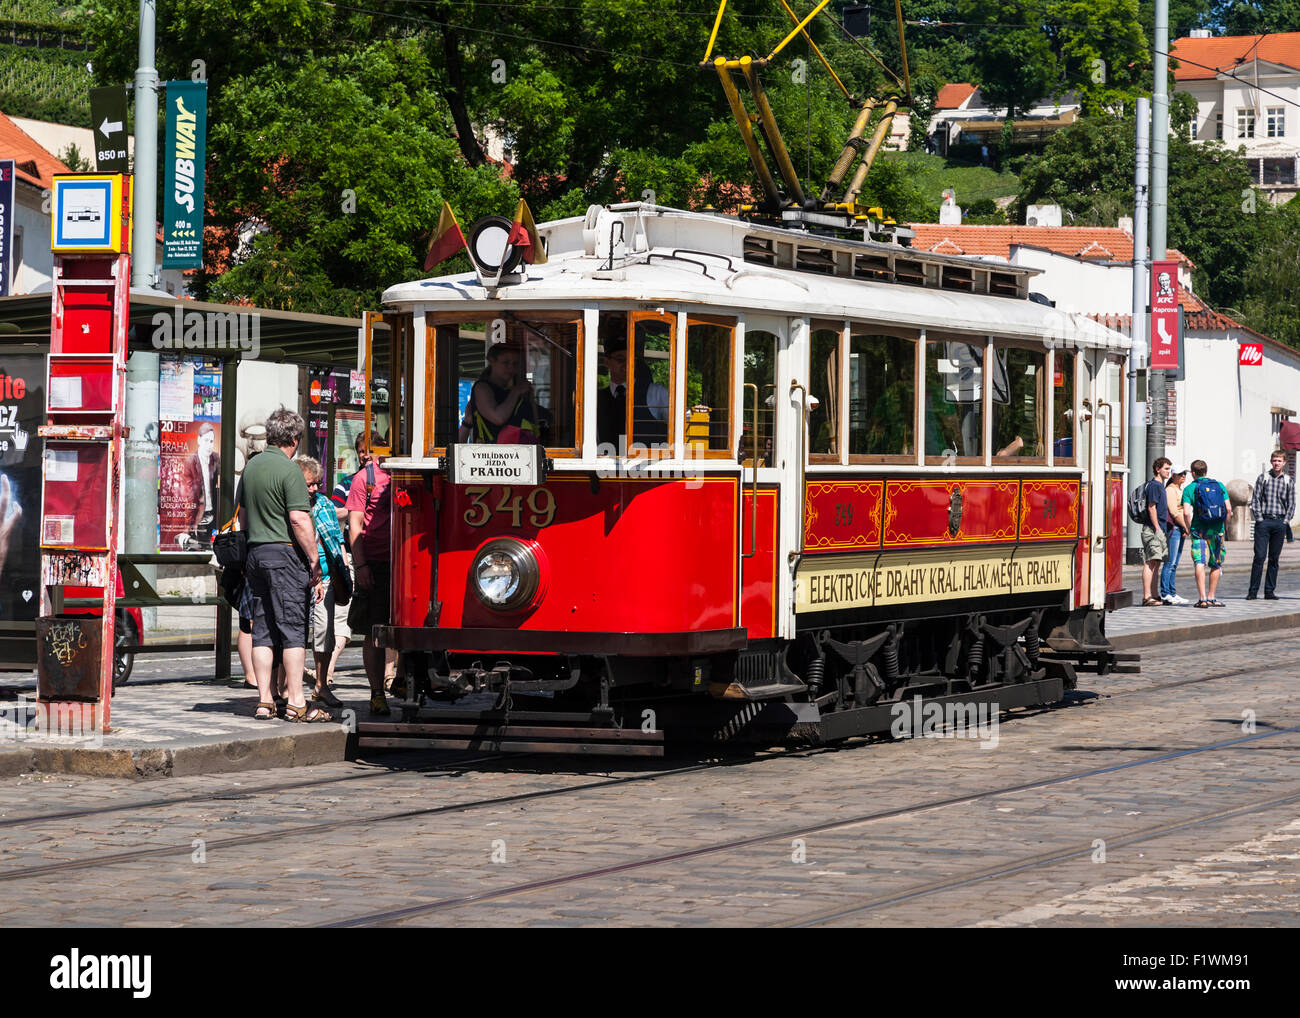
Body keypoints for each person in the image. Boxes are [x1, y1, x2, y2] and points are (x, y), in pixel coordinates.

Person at [236, 408, 329, 722]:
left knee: (262, 631)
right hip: (285, 557)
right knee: (292, 632)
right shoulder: (289, 470)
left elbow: (243, 516)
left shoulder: (251, 468)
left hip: (255, 555)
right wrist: (314, 560)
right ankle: (297, 703)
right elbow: (299, 520)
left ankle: (264, 701)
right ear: (294, 438)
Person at [346, 437, 394, 715]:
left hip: (403, 562)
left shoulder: (403, 473)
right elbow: (355, 523)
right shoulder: (364, 479)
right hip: (375, 562)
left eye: (371, 452)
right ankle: (377, 692)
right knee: (373, 631)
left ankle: (397, 681)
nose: (367, 457)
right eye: (363, 453)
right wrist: (361, 566)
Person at [297, 455, 346, 707]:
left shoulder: (324, 504)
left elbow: (337, 540)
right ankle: (287, 688)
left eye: (317, 483)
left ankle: (321, 685)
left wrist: (344, 568)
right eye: (309, 484)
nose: (315, 489)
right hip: (297, 578)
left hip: (325, 578)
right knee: (294, 635)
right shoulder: (291, 505)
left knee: (324, 632)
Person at [596, 331, 669, 451]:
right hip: (606, 467)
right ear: (607, 362)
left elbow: (681, 421)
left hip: (647, 467)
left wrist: (695, 413)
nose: (627, 364)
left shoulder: (655, 393)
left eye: (630, 359)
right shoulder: (596, 399)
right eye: (620, 359)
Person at [1247, 450, 1296, 600]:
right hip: (1264, 522)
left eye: (1279, 461)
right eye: (1274, 460)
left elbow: (1292, 503)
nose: (1276, 463)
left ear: (1284, 463)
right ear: (1271, 461)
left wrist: (1286, 521)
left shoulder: (1288, 480)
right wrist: (1260, 519)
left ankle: (1269, 591)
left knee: (1274, 559)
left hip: (1280, 522)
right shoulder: (1263, 478)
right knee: (1259, 557)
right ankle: (1253, 591)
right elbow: (1255, 500)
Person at [1181, 459, 1230, 609]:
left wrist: (1188, 529)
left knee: (1199, 562)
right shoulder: (1219, 485)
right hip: (1217, 530)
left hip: (1199, 531)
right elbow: (1228, 510)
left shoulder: (1190, 489)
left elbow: (1186, 512)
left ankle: (1202, 599)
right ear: (1206, 471)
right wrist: (1224, 528)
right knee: (1216, 563)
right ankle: (1212, 597)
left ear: (1193, 473)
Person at [471, 342, 538, 444]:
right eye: (506, 363)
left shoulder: (513, 388)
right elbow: (498, 418)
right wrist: (516, 392)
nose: (511, 368)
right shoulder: (482, 388)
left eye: (515, 364)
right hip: (489, 455)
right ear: (492, 361)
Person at [1139, 458, 1172, 606]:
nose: (1168, 471)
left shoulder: (1160, 486)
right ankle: (1147, 596)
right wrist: (1157, 528)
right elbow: (1152, 507)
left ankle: (1155, 594)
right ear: (1157, 469)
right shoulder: (1154, 486)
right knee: (1151, 562)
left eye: (1169, 468)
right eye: (1166, 468)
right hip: (1153, 530)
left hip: (1159, 529)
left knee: (1156, 562)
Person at [1160, 464, 1191, 605]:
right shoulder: (1170, 490)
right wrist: (1186, 527)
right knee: (1170, 562)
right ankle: (1165, 593)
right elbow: (1174, 512)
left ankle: (1172, 592)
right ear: (1173, 476)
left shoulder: (1180, 489)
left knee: (1175, 563)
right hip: (1175, 529)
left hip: (1181, 529)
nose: (1183, 475)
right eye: (1181, 473)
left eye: (1185, 473)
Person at [184, 422, 220, 542]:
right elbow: (189, 495)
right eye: (206, 440)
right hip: (198, 515)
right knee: (197, 546)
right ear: (199, 440)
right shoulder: (190, 461)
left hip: (213, 514)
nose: (209, 445)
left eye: (211, 441)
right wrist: (187, 527)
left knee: (212, 545)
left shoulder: (215, 458)